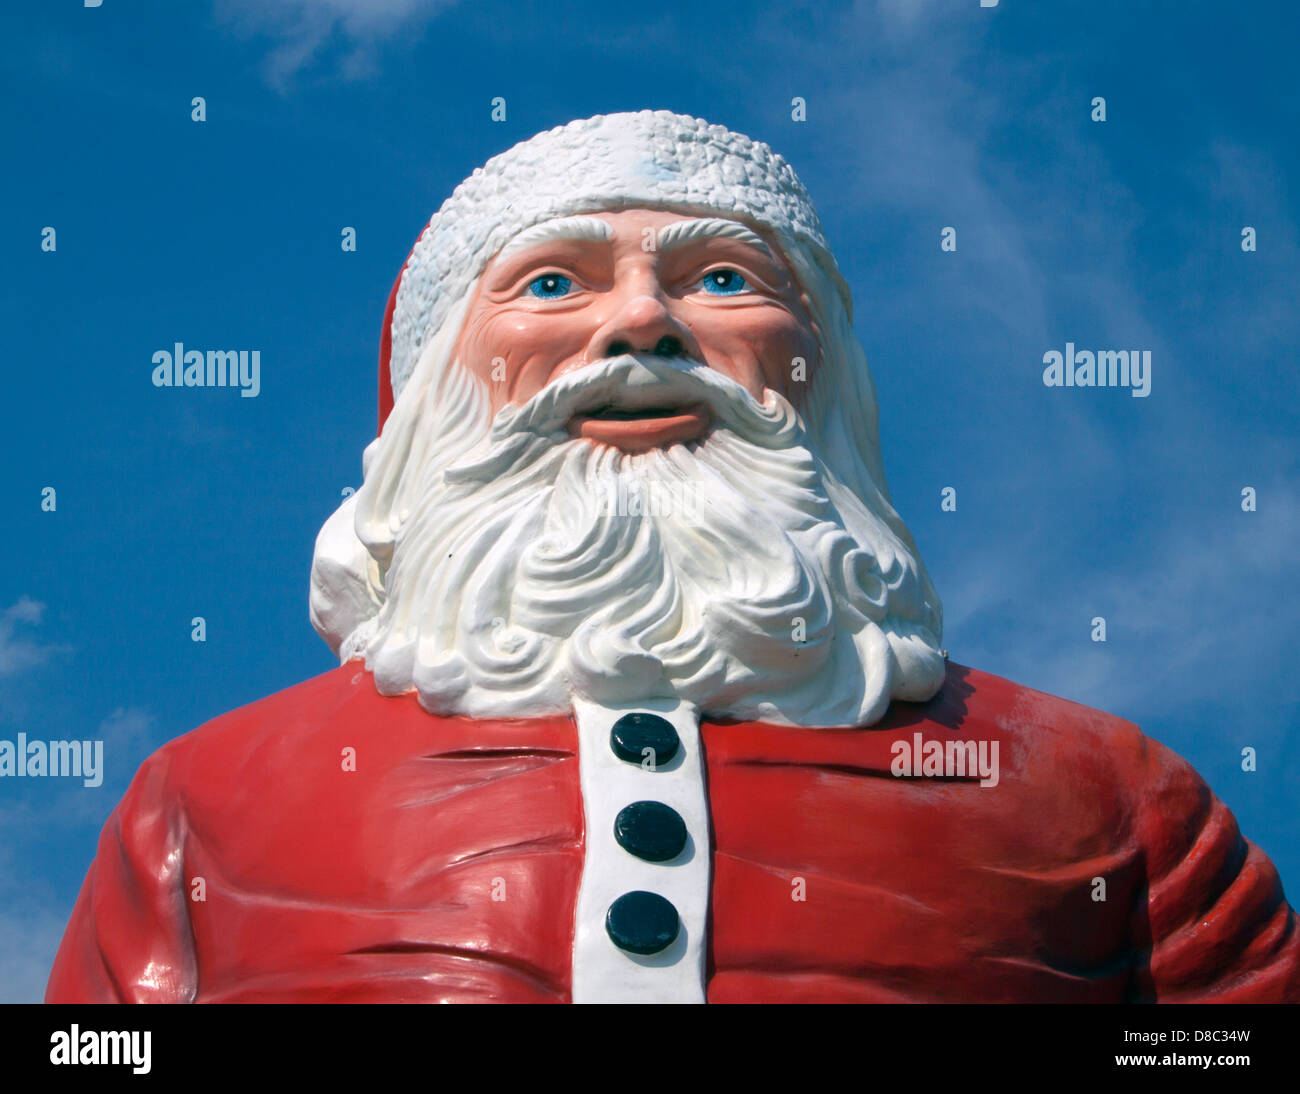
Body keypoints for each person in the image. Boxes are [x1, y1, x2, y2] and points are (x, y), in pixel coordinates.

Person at [46, 111, 1299, 1003]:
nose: (642, 319)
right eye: (550, 282)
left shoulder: (1111, 798)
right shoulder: (202, 802)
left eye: (720, 276)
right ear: (431, 395)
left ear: (824, 382)